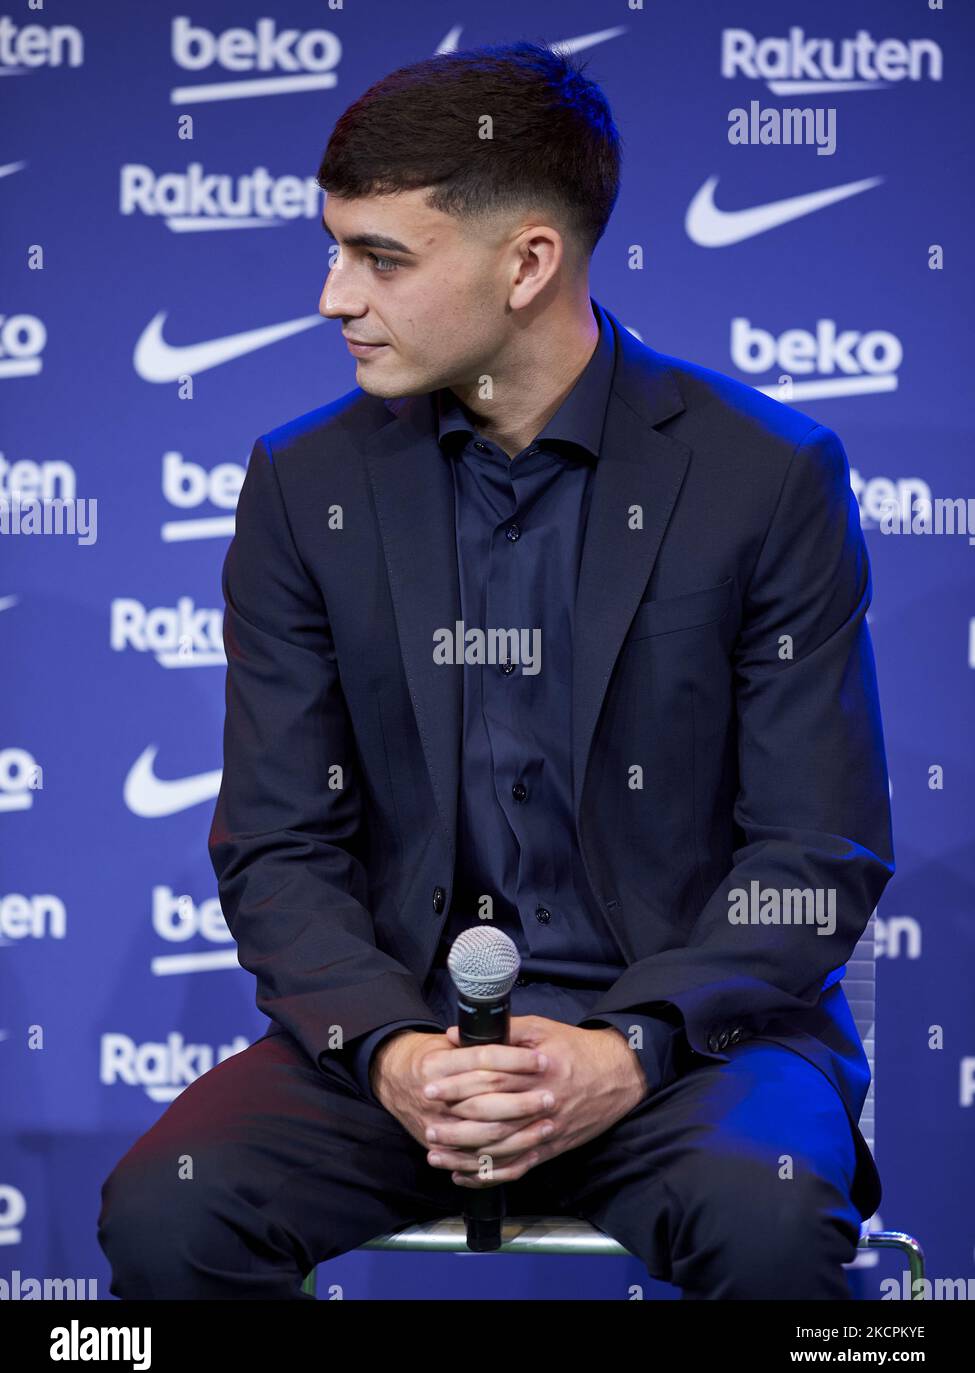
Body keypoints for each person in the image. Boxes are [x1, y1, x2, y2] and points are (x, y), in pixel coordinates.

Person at [98, 40, 894, 1300]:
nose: (331, 297)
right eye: (335, 247)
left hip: (691, 1051)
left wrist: (625, 1050)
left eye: (380, 258)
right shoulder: (306, 487)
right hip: (401, 1046)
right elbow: (277, 841)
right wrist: (396, 1051)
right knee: (164, 1214)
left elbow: (816, 846)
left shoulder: (768, 475)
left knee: (773, 1219)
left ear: (528, 262)